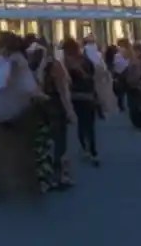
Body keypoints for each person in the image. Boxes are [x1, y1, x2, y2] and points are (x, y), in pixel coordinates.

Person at [0, 31, 40, 199]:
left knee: (0, 150)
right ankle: (28, 185)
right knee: (23, 148)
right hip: (18, 111)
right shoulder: (18, 62)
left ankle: (0, 185)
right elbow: (28, 86)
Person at [30, 40, 75, 191]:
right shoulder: (55, 66)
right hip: (56, 106)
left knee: (45, 142)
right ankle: (60, 175)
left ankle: (45, 176)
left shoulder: (36, 68)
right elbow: (63, 90)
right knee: (60, 142)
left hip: (42, 108)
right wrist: (70, 111)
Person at [63, 38, 101, 166]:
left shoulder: (67, 64)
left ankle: (85, 148)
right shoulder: (86, 61)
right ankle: (93, 150)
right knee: (90, 124)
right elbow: (93, 75)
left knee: (81, 123)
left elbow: (67, 81)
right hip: (88, 95)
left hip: (76, 96)